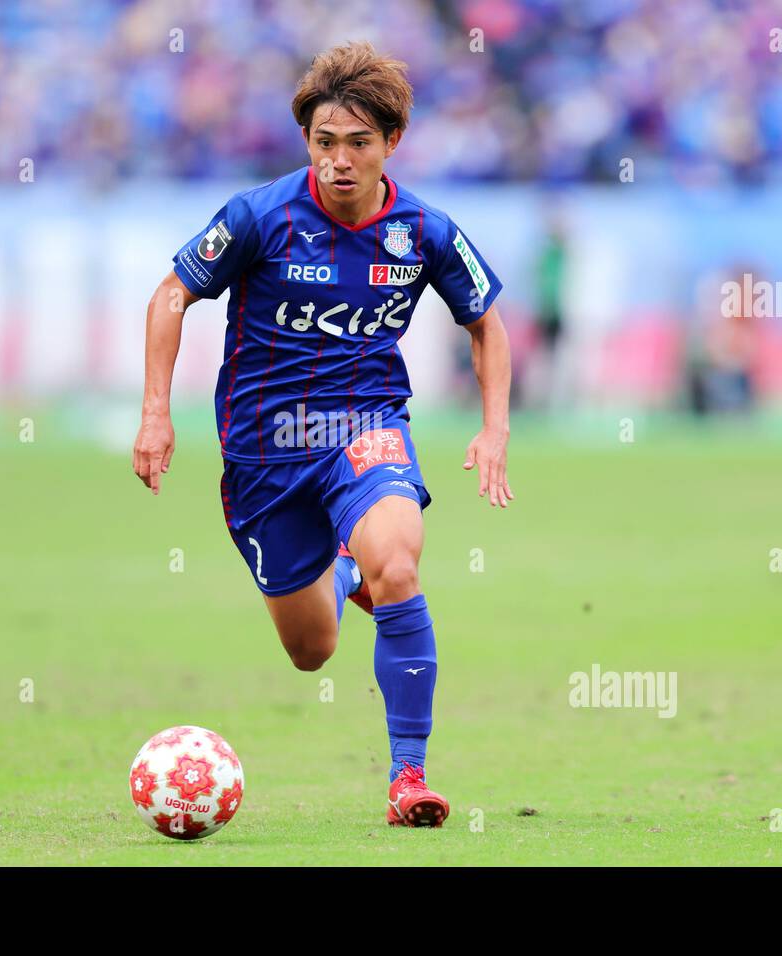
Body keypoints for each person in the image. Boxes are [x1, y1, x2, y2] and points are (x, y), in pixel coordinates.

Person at [133, 42, 513, 827]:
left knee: (400, 565)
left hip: (364, 427)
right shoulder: (258, 217)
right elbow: (172, 295)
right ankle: (342, 575)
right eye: (324, 143)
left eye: (358, 144)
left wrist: (494, 426)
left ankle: (408, 778)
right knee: (312, 650)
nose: (340, 161)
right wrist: (155, 411)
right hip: (263, 457)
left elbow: (486, 324)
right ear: (307, 141)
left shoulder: (424, 233)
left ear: (391, 144)